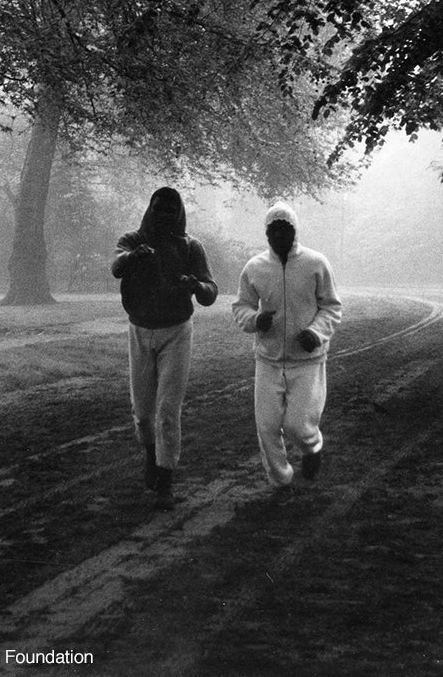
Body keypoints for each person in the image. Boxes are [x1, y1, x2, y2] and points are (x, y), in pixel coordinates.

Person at [111, 187, 218, 510]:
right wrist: (134, 257)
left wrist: (196, 286)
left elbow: (211, 291)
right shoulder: (132, 240)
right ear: (150, 209)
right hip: (140, 329)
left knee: (167, 411)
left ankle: (165, 481)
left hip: (176, 331)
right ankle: (150, 455)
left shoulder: (191, 246)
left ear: (179, 214)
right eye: (159, 208)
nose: (164, 215)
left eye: (171, 210)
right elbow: (116, 266)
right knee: (143, 414)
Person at [232, 200, 341, 488]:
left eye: (286, 229)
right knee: (267, 426)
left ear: (295, 230)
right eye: (274, 230)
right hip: (267, 359)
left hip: (307, 360)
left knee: (297, 425)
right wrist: (256, 320)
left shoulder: (315, 263)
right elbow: (241, 306)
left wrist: (316, 333)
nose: (280, 235)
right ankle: (280, 481)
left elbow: (331, 307)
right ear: (266, 233)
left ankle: (312, 446)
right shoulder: (255, 267)